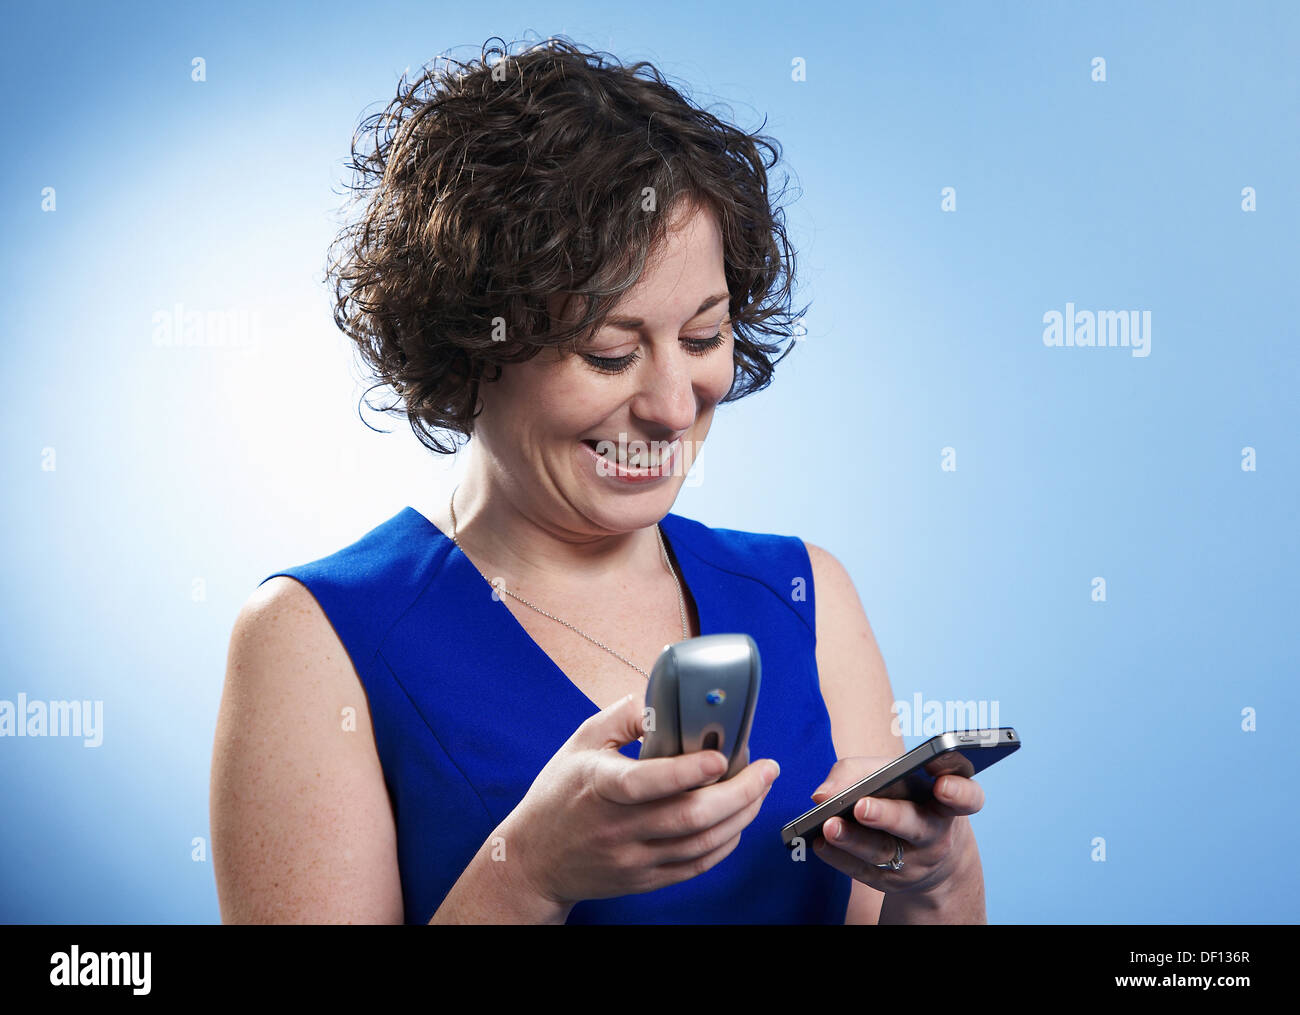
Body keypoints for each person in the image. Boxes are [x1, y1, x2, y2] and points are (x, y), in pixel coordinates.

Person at [210, 36, 988, 924]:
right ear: (470, 347)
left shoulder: (805, 590)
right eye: (609, 352)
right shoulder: (316, 636)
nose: (670, 404)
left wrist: (937, 881)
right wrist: (529, 872)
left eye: (703, 338)